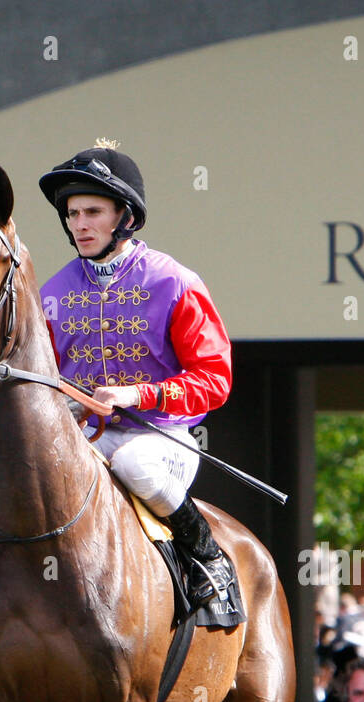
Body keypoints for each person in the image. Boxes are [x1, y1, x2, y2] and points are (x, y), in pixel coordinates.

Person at [37, 142, 234, 609]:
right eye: (72, 213)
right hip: (85, 438)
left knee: (135, 464)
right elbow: (42, 377)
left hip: (162, 439)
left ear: (124, 215)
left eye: (92, 212)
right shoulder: (52, 292)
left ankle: (209, 556)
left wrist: (136, 394)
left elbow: (215, 380)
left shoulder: (174, 283)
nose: (79, 224)